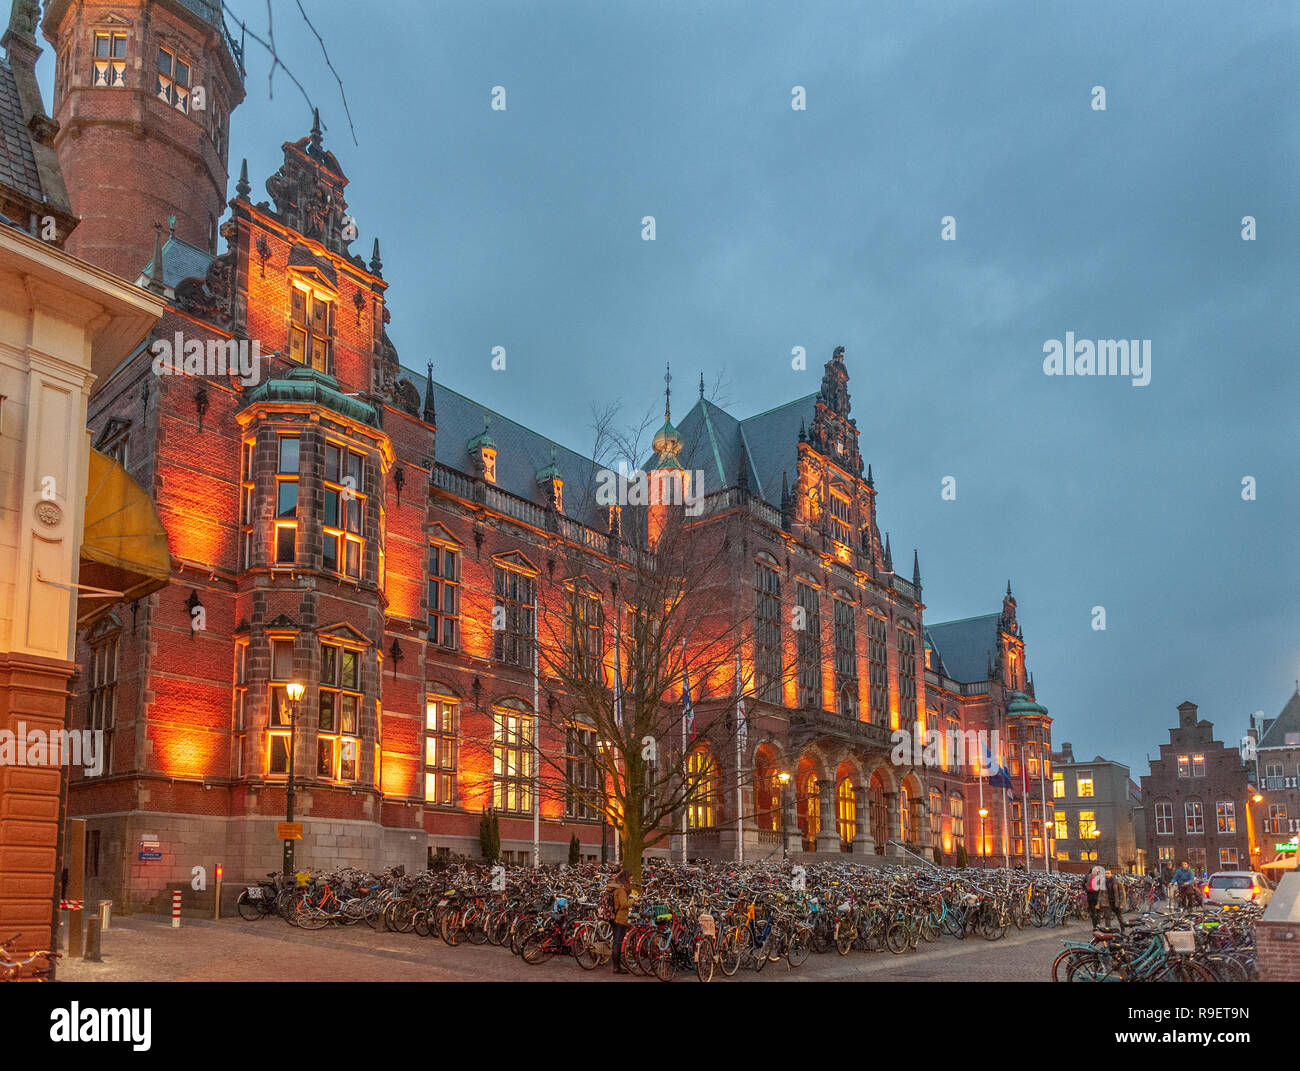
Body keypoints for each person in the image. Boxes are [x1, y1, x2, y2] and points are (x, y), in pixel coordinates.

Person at [607, 868, 631, 974]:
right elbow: (624, 904)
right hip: (620, 918)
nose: (631, 879)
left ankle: (617, 966)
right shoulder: (621, 889)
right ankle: (617, 967)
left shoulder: (616, 886)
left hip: (614, 917)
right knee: (618, 942)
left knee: (616, 942)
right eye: (630, 877)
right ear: (626, 877)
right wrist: (634, 900)